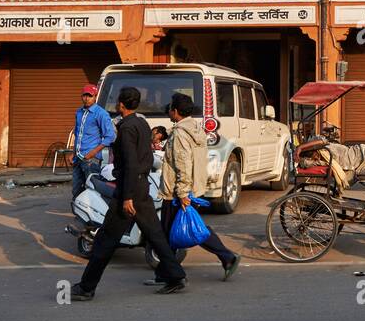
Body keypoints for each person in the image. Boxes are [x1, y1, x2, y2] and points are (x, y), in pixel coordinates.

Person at [71, 87, 187, 300]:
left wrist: (127, 197)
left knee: (105, 240)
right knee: (155, 234)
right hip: (142, 187)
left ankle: (86, 287)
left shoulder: (126, 128)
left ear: (121, 104)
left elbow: (131, 164)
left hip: (129, 190)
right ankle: (175, 275)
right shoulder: (142, 123)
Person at [150, 94, 239, 285]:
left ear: (176, 111)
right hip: (193, 187)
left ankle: (226, 257)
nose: (168, 111)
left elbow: (182, 163)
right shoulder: (194, 128)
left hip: (178, 192)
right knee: (183, 230)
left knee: (179, 232)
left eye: (170, 108)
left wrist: (182, 194)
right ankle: (165, 273)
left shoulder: (181, 133)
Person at [72, 84, 115, 200]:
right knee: (76, 190)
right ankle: (80, 214)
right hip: (78, 157)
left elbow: (110, 136)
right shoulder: (79, 112)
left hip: (91, 159)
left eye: (90, 96)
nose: (86, 98)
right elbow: (77, 134)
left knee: (93, 189)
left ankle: (94, 215)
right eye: (84, 95)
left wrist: (93, 152)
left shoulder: (101, 114)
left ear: (95, 97)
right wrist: (72, 153)